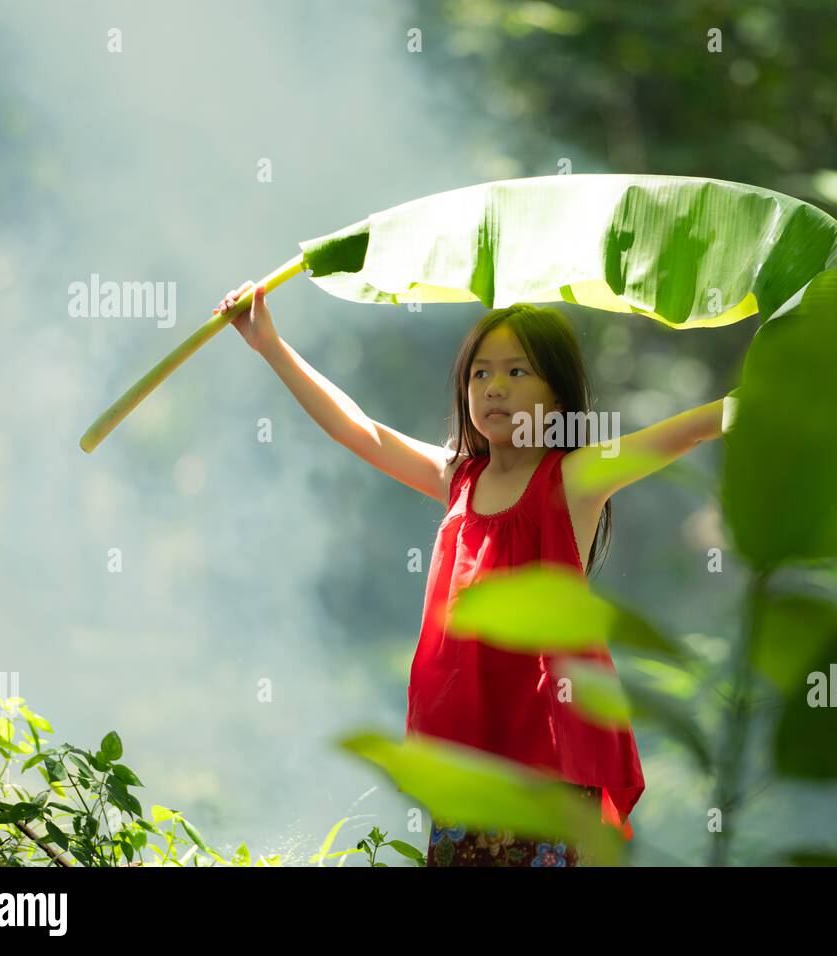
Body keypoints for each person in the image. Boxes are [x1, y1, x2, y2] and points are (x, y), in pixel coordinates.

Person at [215, 281, 733, 866]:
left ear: (558, 397)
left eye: (517, 373)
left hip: (545, 759)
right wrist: (271, 346)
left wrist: (744, 406)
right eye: (480, 374)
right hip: (466, 756)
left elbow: (679, 433)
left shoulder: (574, 479)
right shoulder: (458, 478)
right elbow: (360, 430)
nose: (494, 388)